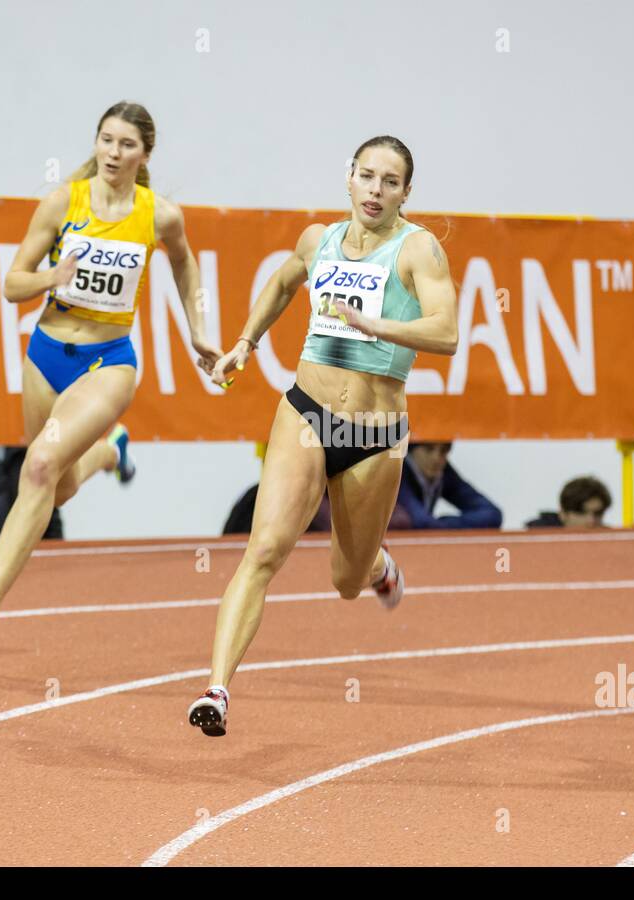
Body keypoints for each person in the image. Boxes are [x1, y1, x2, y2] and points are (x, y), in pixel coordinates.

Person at [188, 135, 458, 736]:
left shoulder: (418, 251)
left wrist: (376, 323)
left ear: (405, 193)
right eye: (367, 176)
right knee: (263, 551)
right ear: (349, 179)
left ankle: (378, 565)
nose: (376, 190)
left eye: (390, 182)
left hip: (376, 433)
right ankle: (217, 689)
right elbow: (286, 282)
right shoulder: (320, 240)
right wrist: (244, 344)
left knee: (346, 581)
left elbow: (446, 334)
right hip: (306, 413)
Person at [0, 101, 219, 640]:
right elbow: (11, 285)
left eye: (126, 145)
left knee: (40, 466)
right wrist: (53, 277)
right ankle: (107, 451)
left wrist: (198, 330)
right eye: (106, 140)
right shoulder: (60, 204)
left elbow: (185, 265)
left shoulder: (158, 214)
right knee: (59, 487)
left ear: (144, 155)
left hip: (108, 362)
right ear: (95, 142)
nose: (113, 153)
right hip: (47, 354)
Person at [390, 441, 502, 529]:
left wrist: (441, 523)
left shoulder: (443, 473)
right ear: (411, 449)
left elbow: (492, 514)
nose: (436, 458)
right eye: (428, 449)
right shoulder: (397, 471)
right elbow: (421, 522)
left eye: (444, 450)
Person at [526, 476, 611, 528]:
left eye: (598, 513)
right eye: (581, 512)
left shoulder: (613, 542)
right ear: (563, 514)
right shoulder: (531, 541)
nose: (591, 521)